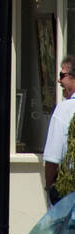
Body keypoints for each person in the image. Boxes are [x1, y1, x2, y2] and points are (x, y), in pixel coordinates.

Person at [43, 55, 75, 203]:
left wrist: (49, 187)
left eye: (62, 75)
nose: (59, 80)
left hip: (68, 192)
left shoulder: (64, 109)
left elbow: (53, 158)